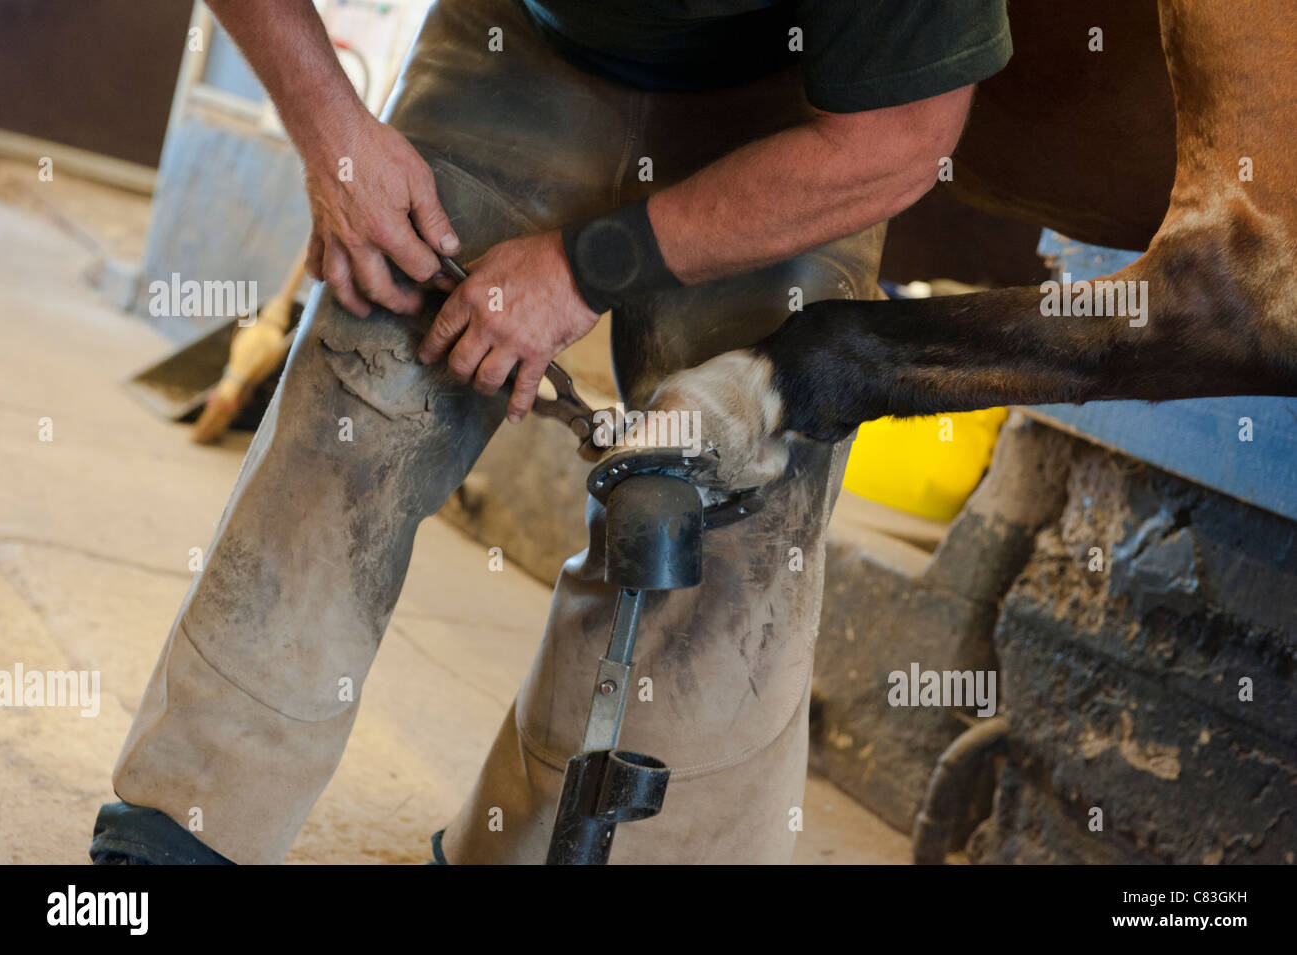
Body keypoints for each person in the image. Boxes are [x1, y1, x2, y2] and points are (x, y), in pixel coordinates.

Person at [90, 0, 1011, 864]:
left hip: (790, 105)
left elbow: (902, 140)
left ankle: (536, 842)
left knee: (736, 495)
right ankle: (191, 818)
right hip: (518, 41)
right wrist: (332, 134)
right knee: (368, 388)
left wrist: (583, 269)